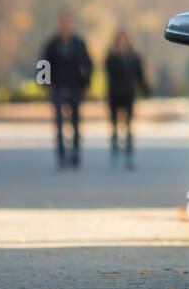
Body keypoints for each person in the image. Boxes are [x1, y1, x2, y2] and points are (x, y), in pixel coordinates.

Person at [40, 9, 93, 168]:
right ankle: (61, 155)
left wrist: (86, 84)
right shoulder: (52, 43)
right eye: (63, 21)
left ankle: (76, 152)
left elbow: (89, 65)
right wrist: (45, 84)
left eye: (68, 21)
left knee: (76, 122)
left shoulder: (79, 43)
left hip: (75, 87)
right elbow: (43, 63)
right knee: (59, 122)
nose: (65, 25)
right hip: (57, 87)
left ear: (72, 23)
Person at [104, 29, 149, 169]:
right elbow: (108, 71)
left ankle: (129, 155)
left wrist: (145, 89)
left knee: (129, 126)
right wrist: (115, 56)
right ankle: (115, 153)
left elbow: (139, 75)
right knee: (115, 126)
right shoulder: (111, 57)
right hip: (114, 94)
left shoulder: (133, 57)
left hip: (128, 94)